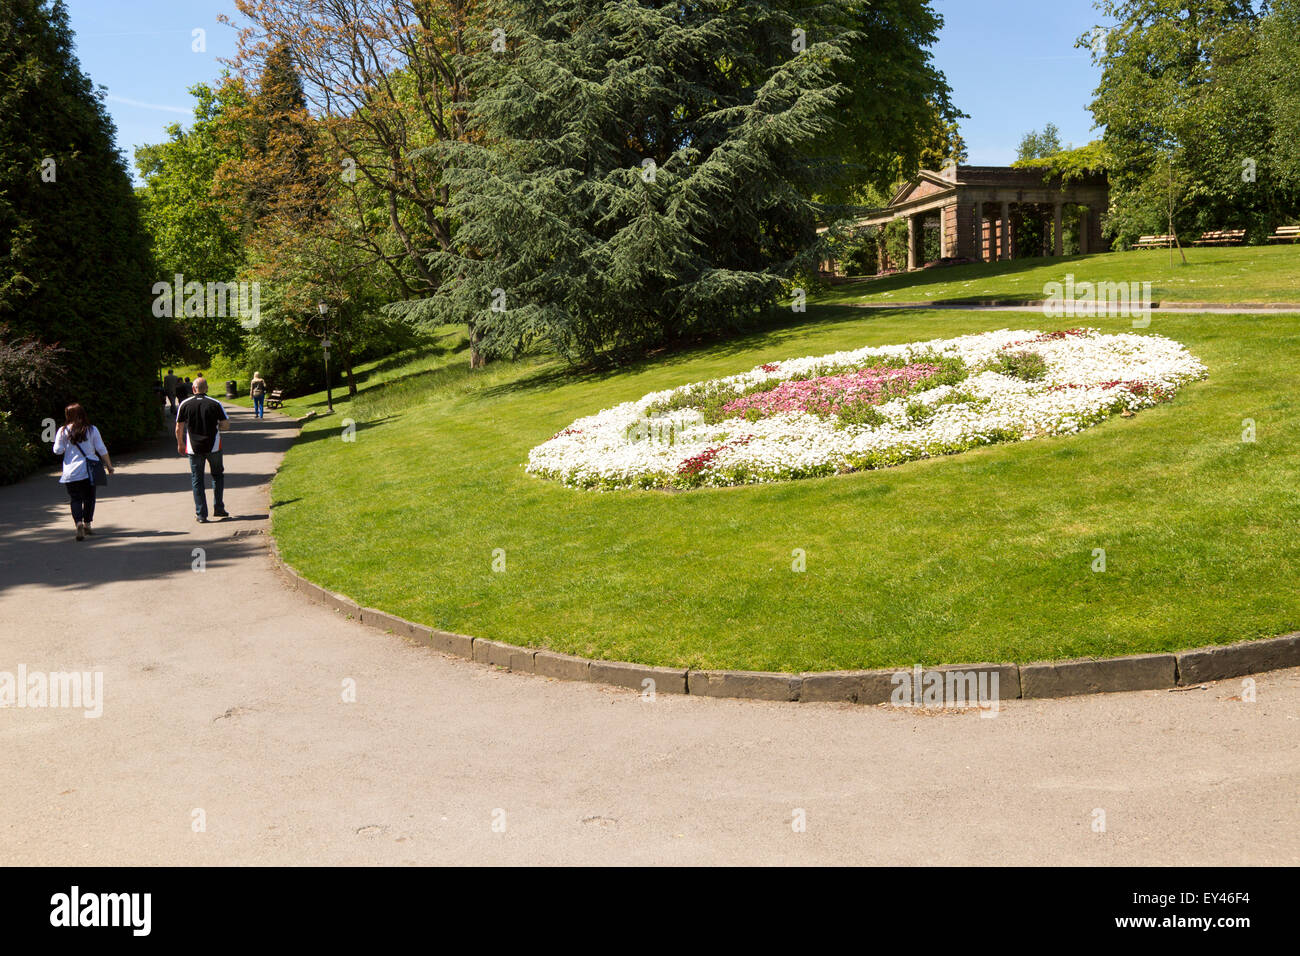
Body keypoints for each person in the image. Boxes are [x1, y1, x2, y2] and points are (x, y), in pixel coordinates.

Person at [52, 403, 114, 541]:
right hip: (89, 470)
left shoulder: (62, 431)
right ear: (82, 414)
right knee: (89, 498)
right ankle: (87, 524)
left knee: (75, 499)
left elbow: (57, 450)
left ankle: (78, 523)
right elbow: (101, 449)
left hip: (70, 472)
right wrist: (109, 466)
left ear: (68, 416)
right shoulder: (92, 430)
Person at [175, 376, 231, 523]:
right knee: (217, 476)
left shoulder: (185, 404)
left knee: (197, 480)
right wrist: (217, 427)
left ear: (193, 389)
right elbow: (226, 425)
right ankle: (218, 507)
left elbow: (178, 428)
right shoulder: (215, 403)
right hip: (214, 446)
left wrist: (180, 443)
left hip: (194, 448)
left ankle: (201, 514)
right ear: (206, 388)